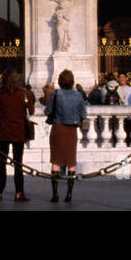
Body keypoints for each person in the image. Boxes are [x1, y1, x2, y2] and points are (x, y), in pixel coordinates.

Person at [0, 67, 34, 202]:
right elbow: (31, 111)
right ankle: (19, 192)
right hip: (18, 132)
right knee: (18, 163)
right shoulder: (24, 94)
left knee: (1, 163)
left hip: (3, 132)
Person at [43, 69, 87, 203]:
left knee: (55, 161)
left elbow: (47, 111)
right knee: (71, 161)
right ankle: (69, 194)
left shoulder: (56, 94)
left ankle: (55, 194)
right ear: (72, 82)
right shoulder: (78, 95)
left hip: (58, 129)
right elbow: (84, 114)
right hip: (71, 130)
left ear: (60, 82)